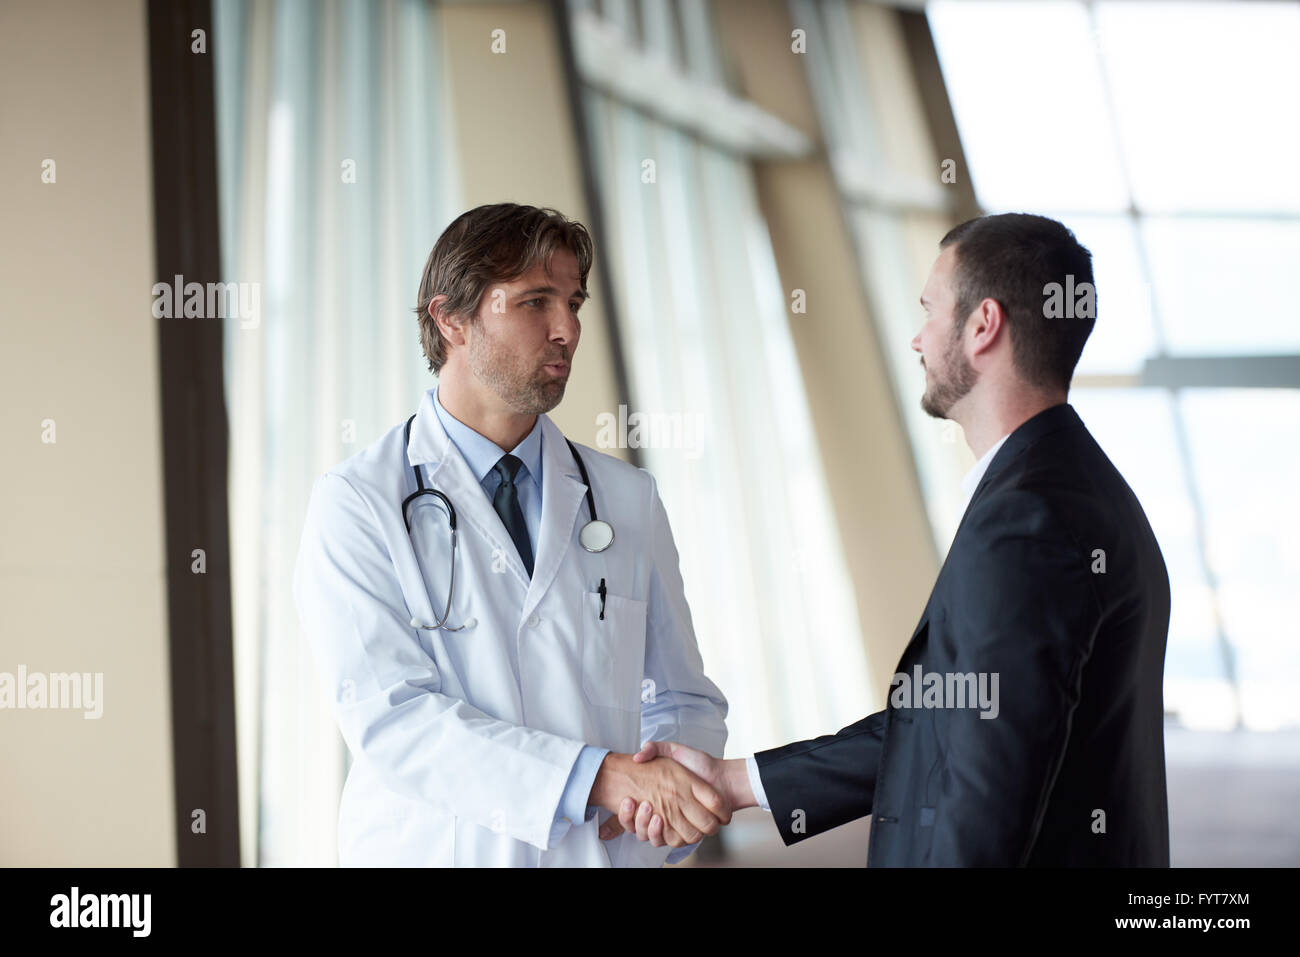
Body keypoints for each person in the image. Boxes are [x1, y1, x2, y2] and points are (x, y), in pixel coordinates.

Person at [613, 213, 1172, 866]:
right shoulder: (1067, 483)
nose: (917, 337)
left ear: (983, 324)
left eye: (930, 309)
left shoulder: (1029, 518)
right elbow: (950, 725)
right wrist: (735, 782)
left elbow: (989, 788)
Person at [293, 203, 729, 866]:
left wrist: (665, 806)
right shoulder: (359, 502)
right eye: (534, 302)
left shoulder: (626, 498)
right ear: (452, 319)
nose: (567, 330)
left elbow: (682, 696)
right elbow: (394, 718)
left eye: (574, 302)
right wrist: (603, 777)